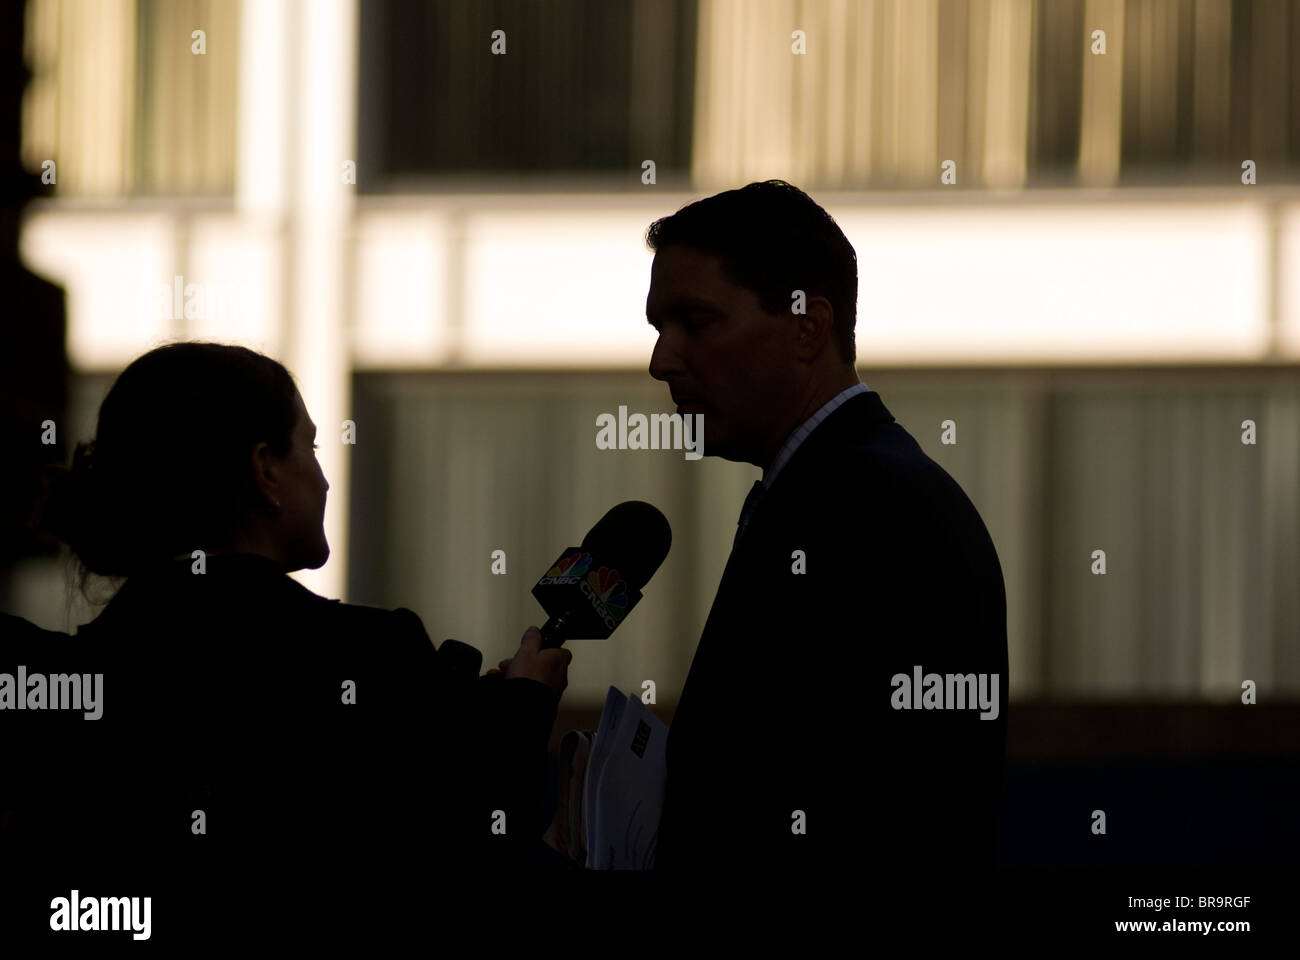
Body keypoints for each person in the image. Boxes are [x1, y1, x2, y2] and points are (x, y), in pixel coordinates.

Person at [1, 342, 570, 938]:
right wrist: (520, 715)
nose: (323, 479)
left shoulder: (62, 683)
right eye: (312, 447)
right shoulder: (374, 657)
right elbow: (464, 877)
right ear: (266, 467)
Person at [643, 181, 1009, 876]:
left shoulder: (869, 503)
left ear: (808, 326)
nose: (663, 360)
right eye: (659, 328)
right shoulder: (844, 488)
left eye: (695, 321)